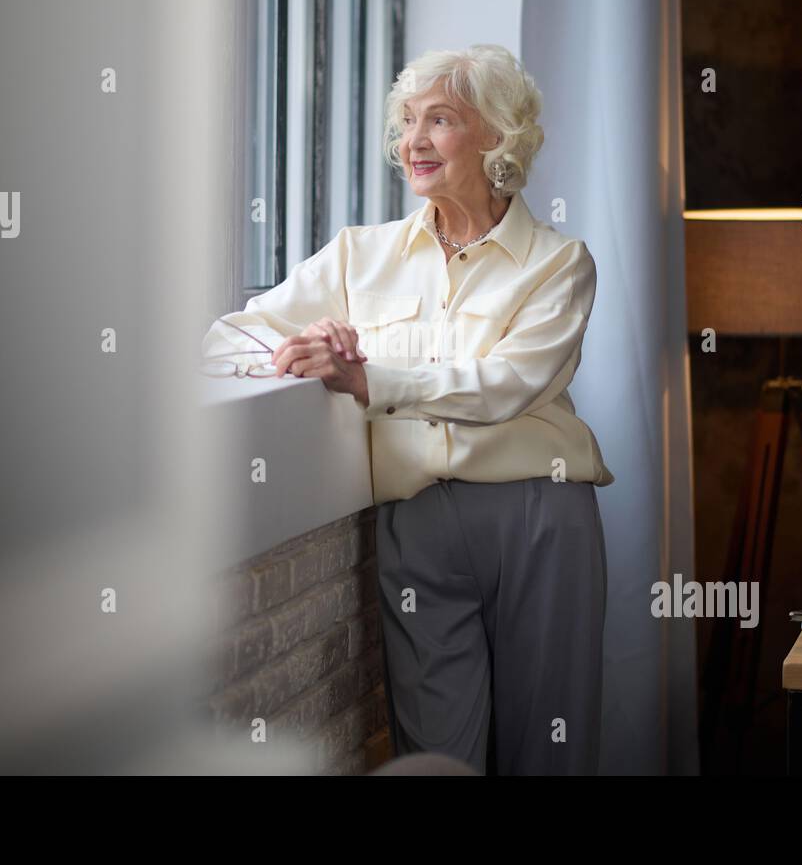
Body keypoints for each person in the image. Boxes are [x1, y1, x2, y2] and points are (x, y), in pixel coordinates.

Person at [202, 43, 614, 774]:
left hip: (540, 517)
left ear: (498, 136)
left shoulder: (560, 263)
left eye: (440, 120)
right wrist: (311, 341)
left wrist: (370, 377)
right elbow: (227, 338)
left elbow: (508, 382)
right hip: (417, 523)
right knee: (434, 756)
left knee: (548, 754)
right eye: (405, 122)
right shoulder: (359, 255)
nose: (412, 142)